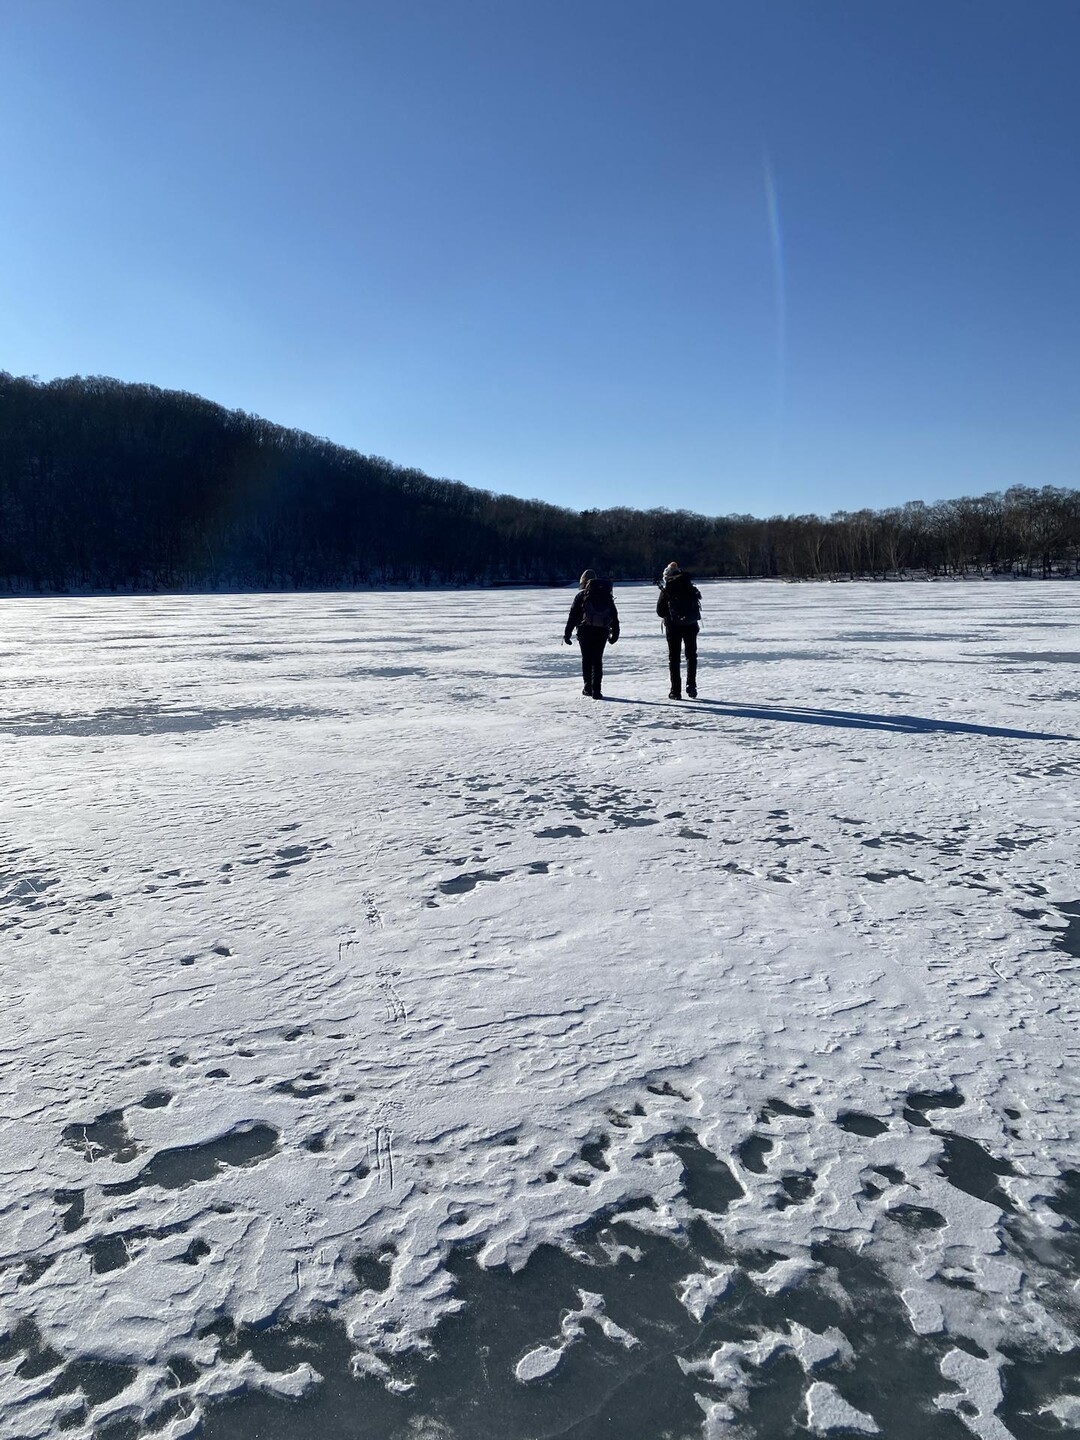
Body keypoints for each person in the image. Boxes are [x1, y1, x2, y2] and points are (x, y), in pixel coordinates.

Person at [563, 570, 619, 699]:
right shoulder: (605, 594)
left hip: (585, 631)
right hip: (602, 631)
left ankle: (588, 688)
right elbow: (614, 615)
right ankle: (597, 690)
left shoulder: (581, 596)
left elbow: (573, 616)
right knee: (597, 660)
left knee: (587, 659)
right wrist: (615, 633)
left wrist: (567, 633)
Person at [656, 561, 702, 699]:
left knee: (674, 658)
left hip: (673, 628)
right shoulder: (688, 585)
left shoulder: (668, 588)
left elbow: (660, 611)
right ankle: (691, 686)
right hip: (691, 626)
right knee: (691, 656)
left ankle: (675, 691)